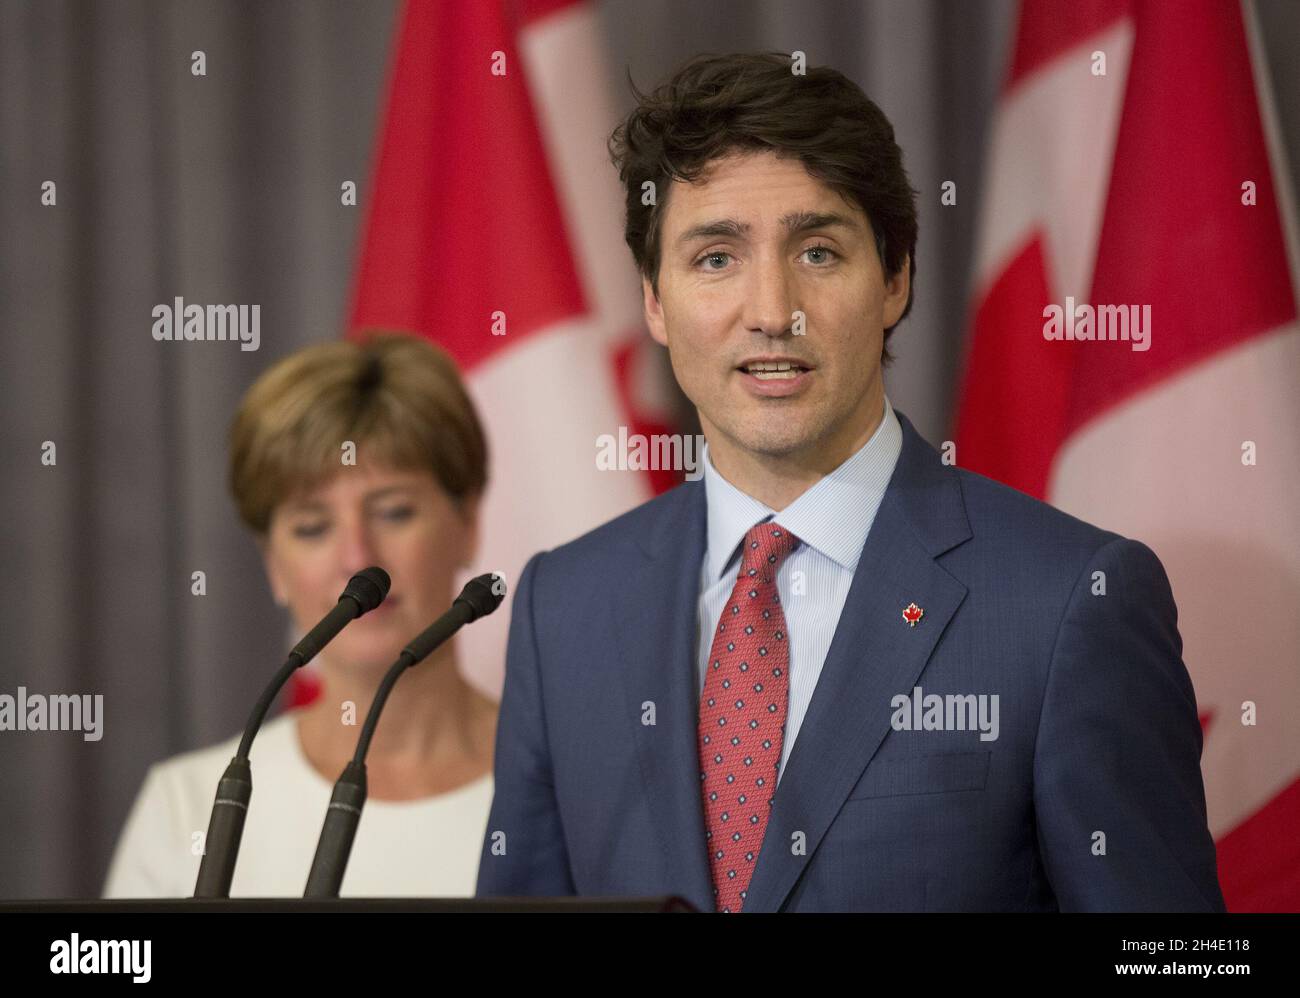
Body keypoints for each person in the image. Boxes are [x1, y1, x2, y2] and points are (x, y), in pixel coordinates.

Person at [476, 52, 1225, 912]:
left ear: (895, 279)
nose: (771, 308)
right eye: (715, 258)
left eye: (819, 251)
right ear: (654, 300)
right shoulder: (560, 607)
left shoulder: (1071, 602)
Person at [104, 333, 497, 898]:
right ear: (274, 566)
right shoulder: (186, 804)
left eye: (394, 511)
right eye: (313, 527)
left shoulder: (572, 783)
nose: (358, 557)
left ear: (468, 524)